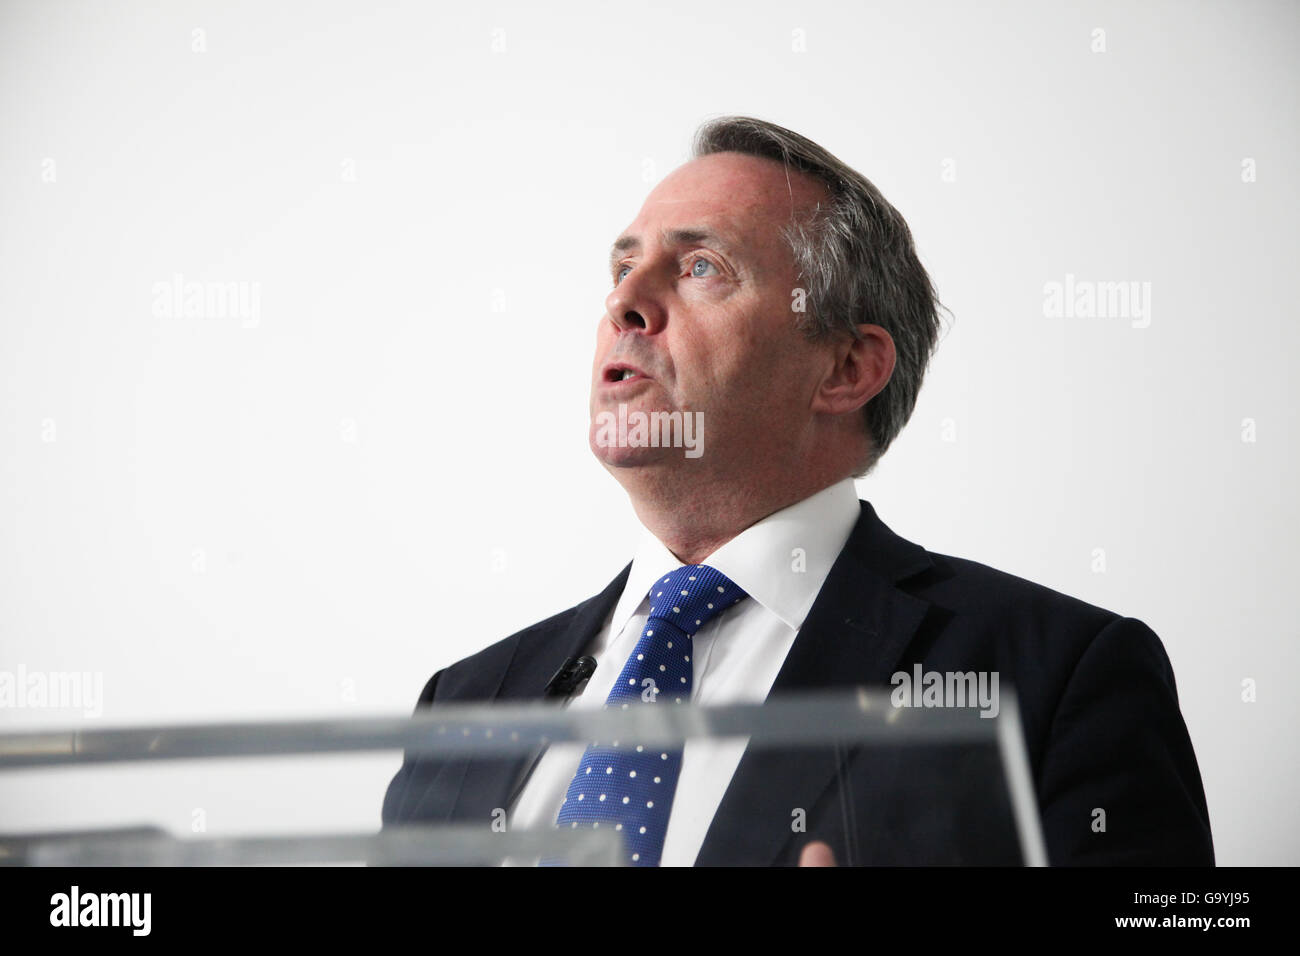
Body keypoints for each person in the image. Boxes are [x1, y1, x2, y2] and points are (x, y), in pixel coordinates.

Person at [381, 116, 1214, 867]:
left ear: (846, 369)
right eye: (623, 266)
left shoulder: (1055, 674)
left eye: (701, 266)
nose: (623, 303)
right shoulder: (465, 703)